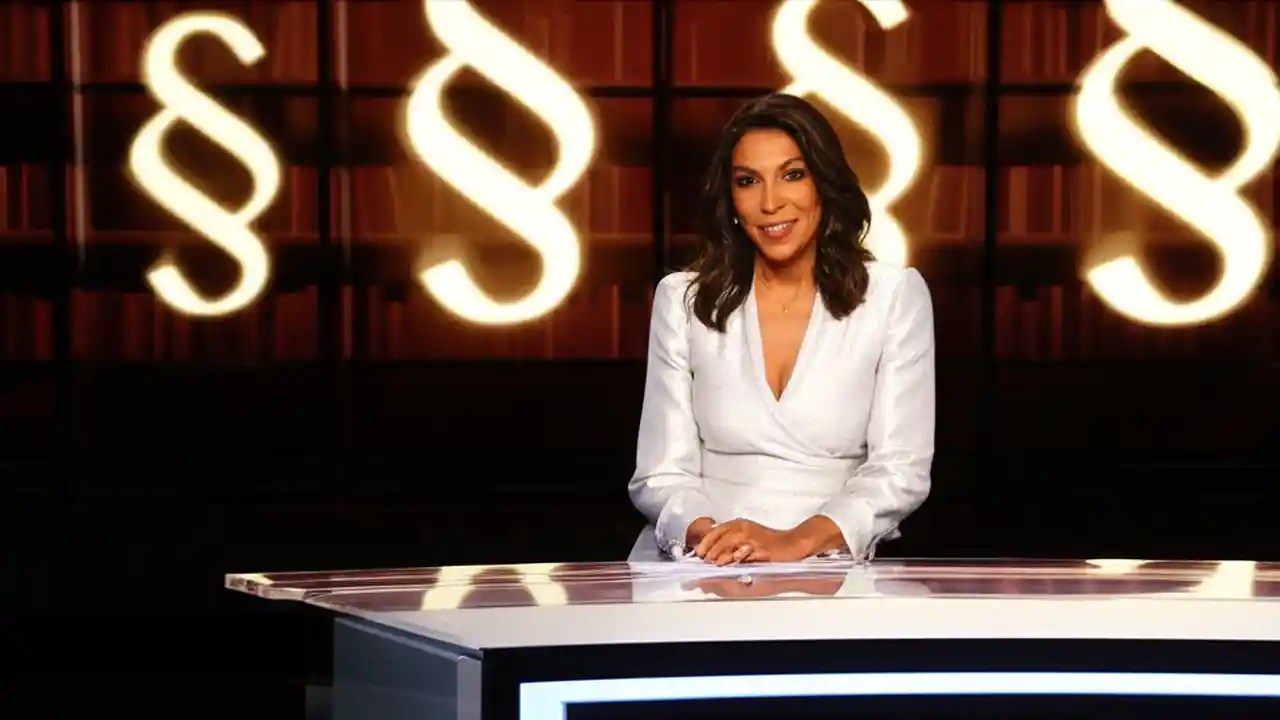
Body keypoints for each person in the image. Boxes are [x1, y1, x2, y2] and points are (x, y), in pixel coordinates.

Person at [627, 93, 935, 565]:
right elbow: (658, 475)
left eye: (793, 175)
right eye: (748, 181)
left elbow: (899, 472)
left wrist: (792, 543)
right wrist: (718, 542)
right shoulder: (684, 300)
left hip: (827, 564)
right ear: (731, 200)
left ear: (824, 185)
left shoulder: (893, 296)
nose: (771, 203)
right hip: (700, 560)